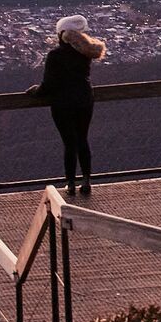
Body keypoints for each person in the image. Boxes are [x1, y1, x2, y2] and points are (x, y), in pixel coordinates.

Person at [38, 14, 104, 193]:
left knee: (69, 143)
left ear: (61, 35)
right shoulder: (85, 54)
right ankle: (87, 181)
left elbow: (49, 84)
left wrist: (36, 92)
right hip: (84, 100)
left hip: (62, 103)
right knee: (83, 139)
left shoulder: (55, 55)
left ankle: (71, 183)